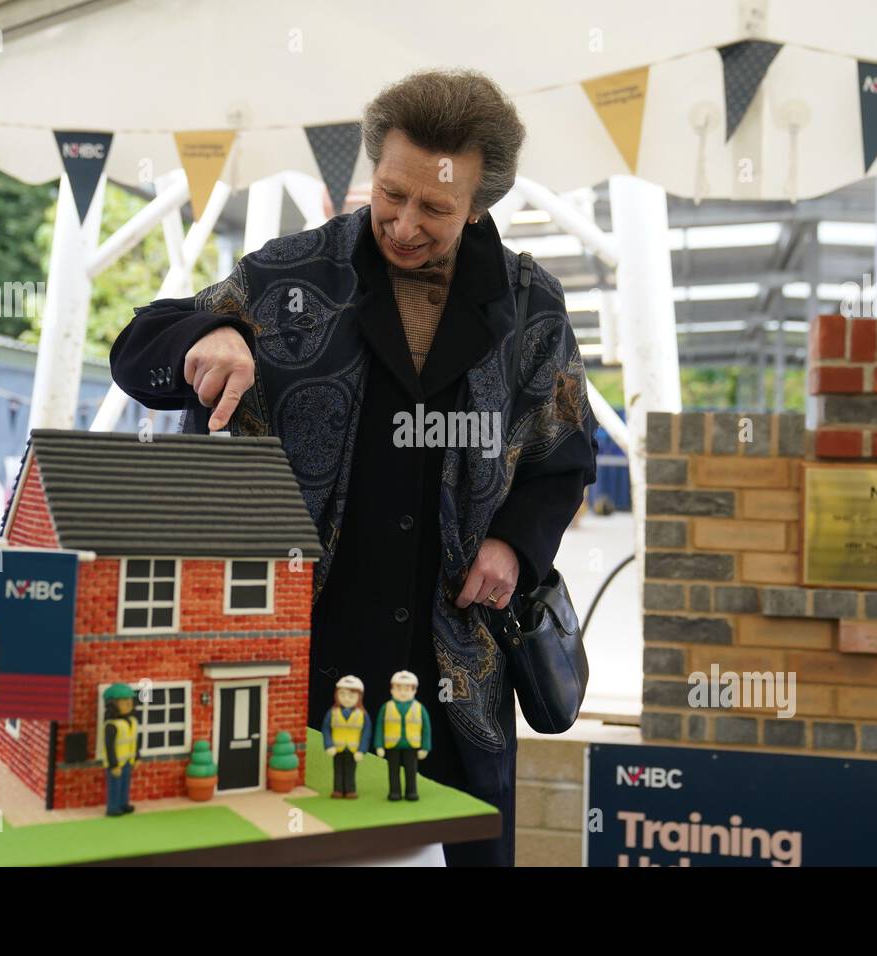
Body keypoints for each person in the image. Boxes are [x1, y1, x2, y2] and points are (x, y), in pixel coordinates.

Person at [110, 69, 597, 865]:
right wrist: (210, 337)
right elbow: (140, 341)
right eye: (390, 194)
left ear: (479, 206)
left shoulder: (529, 307)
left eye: (435, 208)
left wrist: (512, 545)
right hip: (293, 664)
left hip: (449, 676)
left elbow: (564, 454)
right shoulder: (289, 275)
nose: (404, 225)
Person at [373, 671, 430, 801]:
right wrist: (379, 745)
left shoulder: (419, 708)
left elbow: (426, 730)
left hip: (412, 746)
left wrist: (425, 747)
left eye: (407, 689)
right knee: (393, 771)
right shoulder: (386, 708)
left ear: (414, 690)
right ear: (392, 689)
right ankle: (394, 792)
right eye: (399, 688)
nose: (403, 693)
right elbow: (379, 728)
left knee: (411, 770)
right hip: (392, 746)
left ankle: (411, 791)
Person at [322, 674, 371, 798]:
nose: (347, 699)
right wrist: (329, 745)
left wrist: (362, 750)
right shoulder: (332, 712)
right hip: (336, 747)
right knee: (337, 769)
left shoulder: (362, 714)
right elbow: (326, 728)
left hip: (353, 749)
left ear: (359, 697)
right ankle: (338, 789)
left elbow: (366, 732)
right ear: (336, 695)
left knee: (351, 770)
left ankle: (350, 790)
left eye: (351, 696)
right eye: (342, 695)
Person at [102, 683, 139, 816]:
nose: (129, 703)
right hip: (116, 764)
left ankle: (124, 804)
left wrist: (137, 757)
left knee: (125, 784)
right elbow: (109, 747)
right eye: (124, 701)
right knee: (115, 785)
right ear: (112, 704)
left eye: (130, 699)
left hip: (128, 761)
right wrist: (113, 765)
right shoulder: (111, 726)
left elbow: (135, 741)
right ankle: (112, 807)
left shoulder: (132, 721)